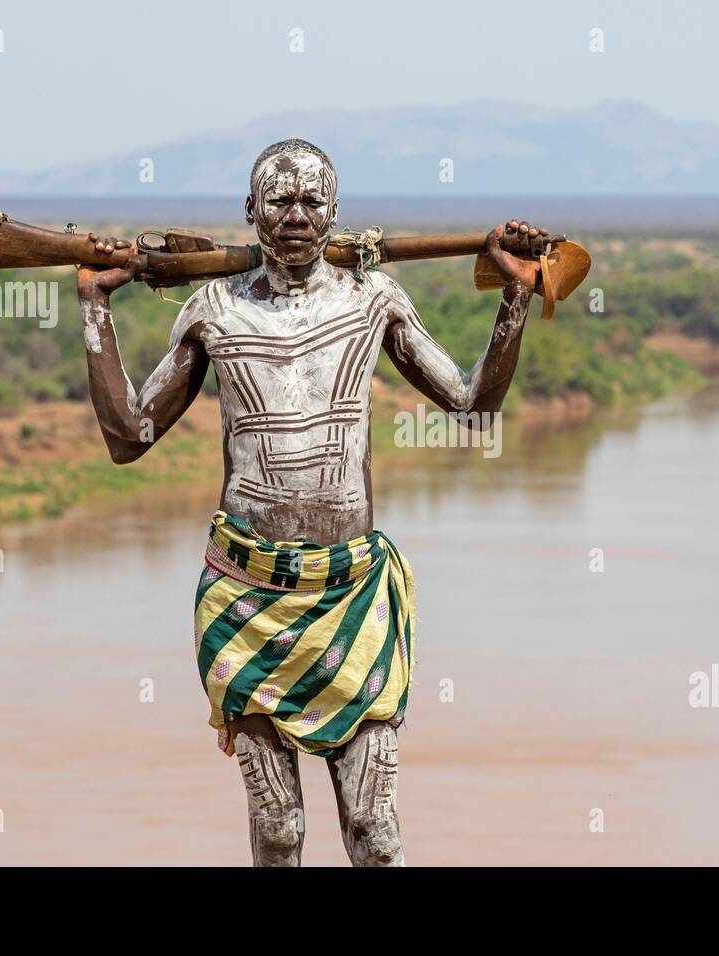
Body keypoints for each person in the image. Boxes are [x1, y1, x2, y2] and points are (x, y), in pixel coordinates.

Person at [75, 139, 545, 866]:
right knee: (280, 832)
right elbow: (129, 436)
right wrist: (94, 308)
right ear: (251, 210)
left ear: (334, 213)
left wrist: (515, 292)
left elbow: (470, 401)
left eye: (311, 201)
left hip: (355, 596)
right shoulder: (213, 310)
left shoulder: (373, 300)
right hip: (246, 598)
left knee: (376, 836)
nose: (295, 215)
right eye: (279, 200)